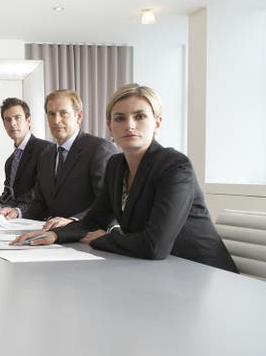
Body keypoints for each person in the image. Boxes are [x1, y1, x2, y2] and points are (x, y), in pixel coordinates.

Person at [15, 84, 237, 272]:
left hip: (202, 272)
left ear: (157, 123)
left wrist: (101, 239)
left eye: (140, 116)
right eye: (119, 118)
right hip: (156, 270)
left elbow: (155, 245)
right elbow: (94, 221)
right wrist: (55, 235)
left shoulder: (175, 166)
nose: (129, 125)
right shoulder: (116, 165)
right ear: (110, 126)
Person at [2, 89, 116, 229]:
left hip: (85, 235)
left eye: (63, 113)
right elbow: (40, 203)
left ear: (79, 116)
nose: (56, 120)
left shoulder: (99, 149)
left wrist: (74, 221)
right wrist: (17, 212)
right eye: (51, 114)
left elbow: (107, 203)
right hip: (53, 236)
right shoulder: (46, 155)